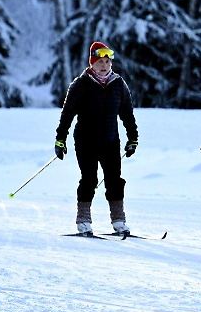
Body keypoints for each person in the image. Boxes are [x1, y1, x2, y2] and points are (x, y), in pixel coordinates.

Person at [55, 41, 139, 235]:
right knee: (89, 179)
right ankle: (83, 220)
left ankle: (119, 220)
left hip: (111, 141)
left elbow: (127, 114)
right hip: (86, 141)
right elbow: (67, 113)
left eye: (107, 62)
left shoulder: (118, 84)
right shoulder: (80, 84)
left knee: (114, 180)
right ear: (92, 63)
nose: (104, 65)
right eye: (100, 62)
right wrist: (61, 139)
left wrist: (132, 138)